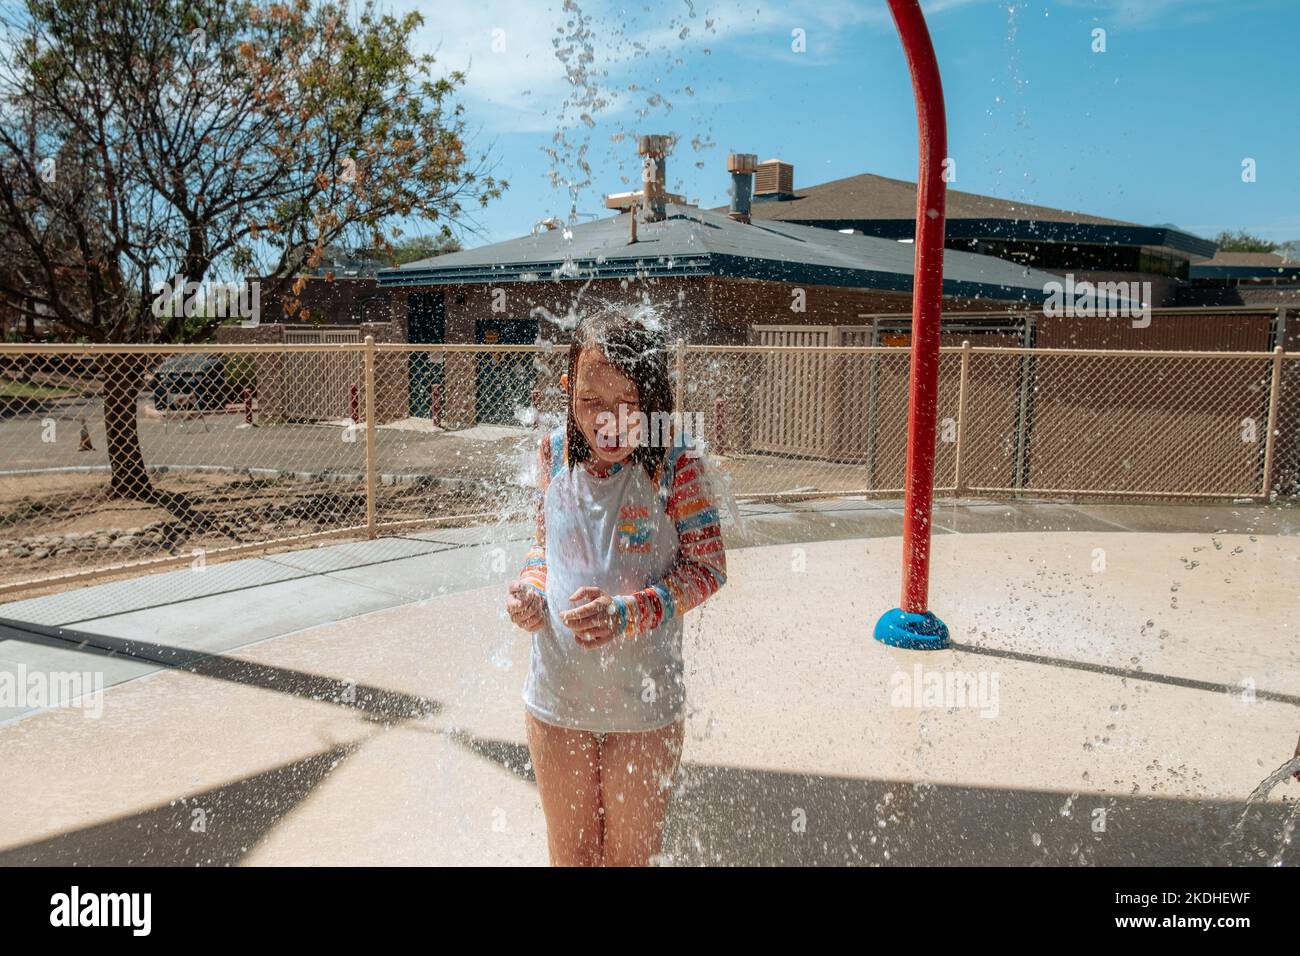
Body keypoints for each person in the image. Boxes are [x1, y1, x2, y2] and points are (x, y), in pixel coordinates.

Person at [505, 303, 727, 866]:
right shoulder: (553, 451)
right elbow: (544, 547)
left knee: (628, 858)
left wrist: (628, 613)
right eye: (591, 403)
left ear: (653, 399)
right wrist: (532, 591)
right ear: (567, 389)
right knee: (572, 855)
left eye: (628, 406)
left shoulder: (674, 464)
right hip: (557, 695)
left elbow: (708, 568)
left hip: (643, 706)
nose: (608, 423)